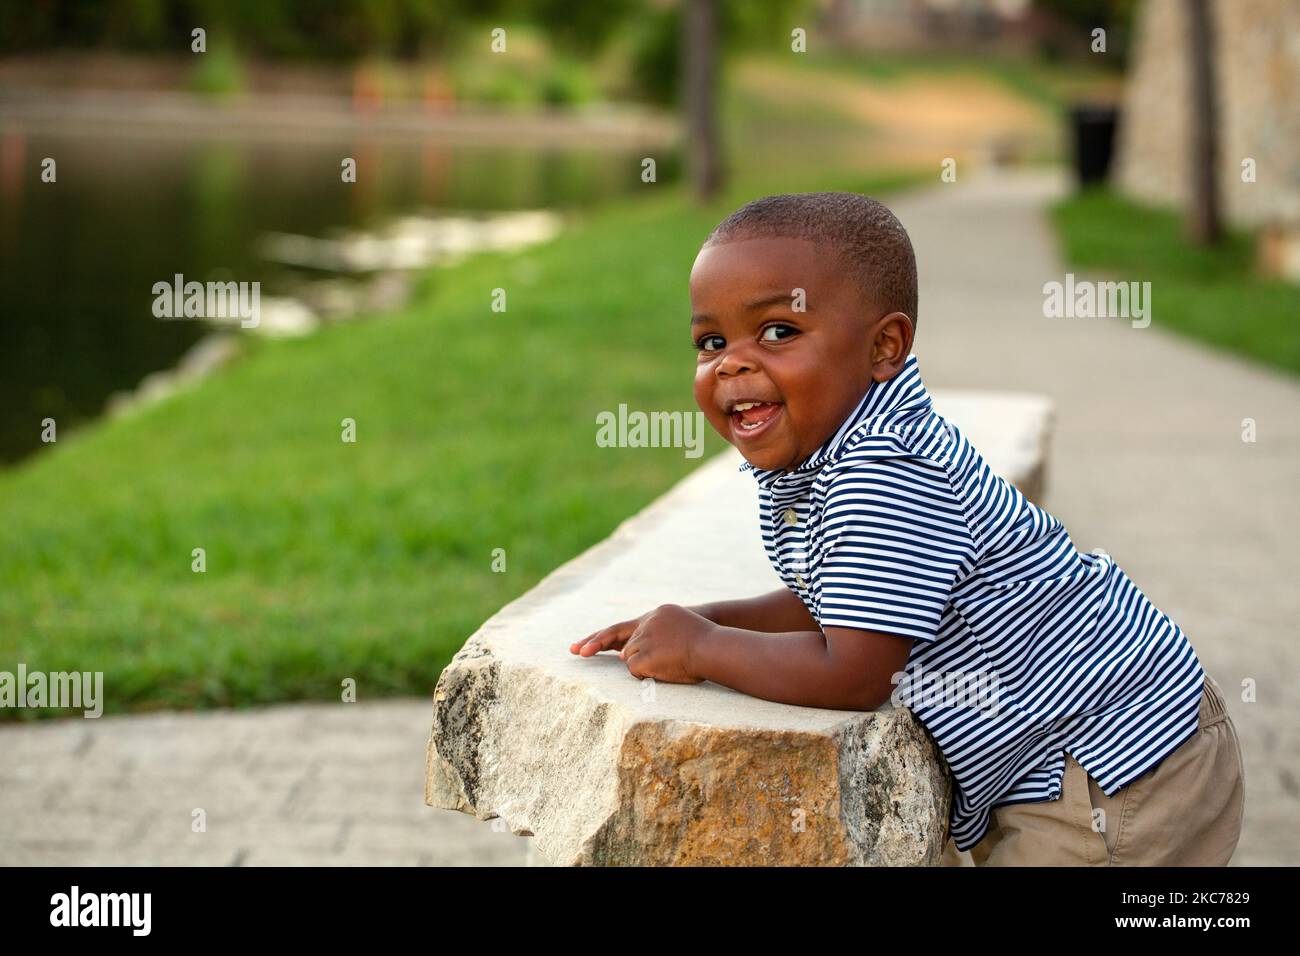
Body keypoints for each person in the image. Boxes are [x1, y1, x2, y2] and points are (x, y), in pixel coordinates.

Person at [569, 192, 1244, 865]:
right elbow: (840, 603)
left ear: (884, 347)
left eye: (778, 332)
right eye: (711, 342)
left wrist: (706, 648)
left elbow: (858, 673)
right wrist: (700, 618)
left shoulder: (887, 468)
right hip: (1082, 755)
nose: (732, 364)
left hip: (1118, 764)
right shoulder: (829, 457)